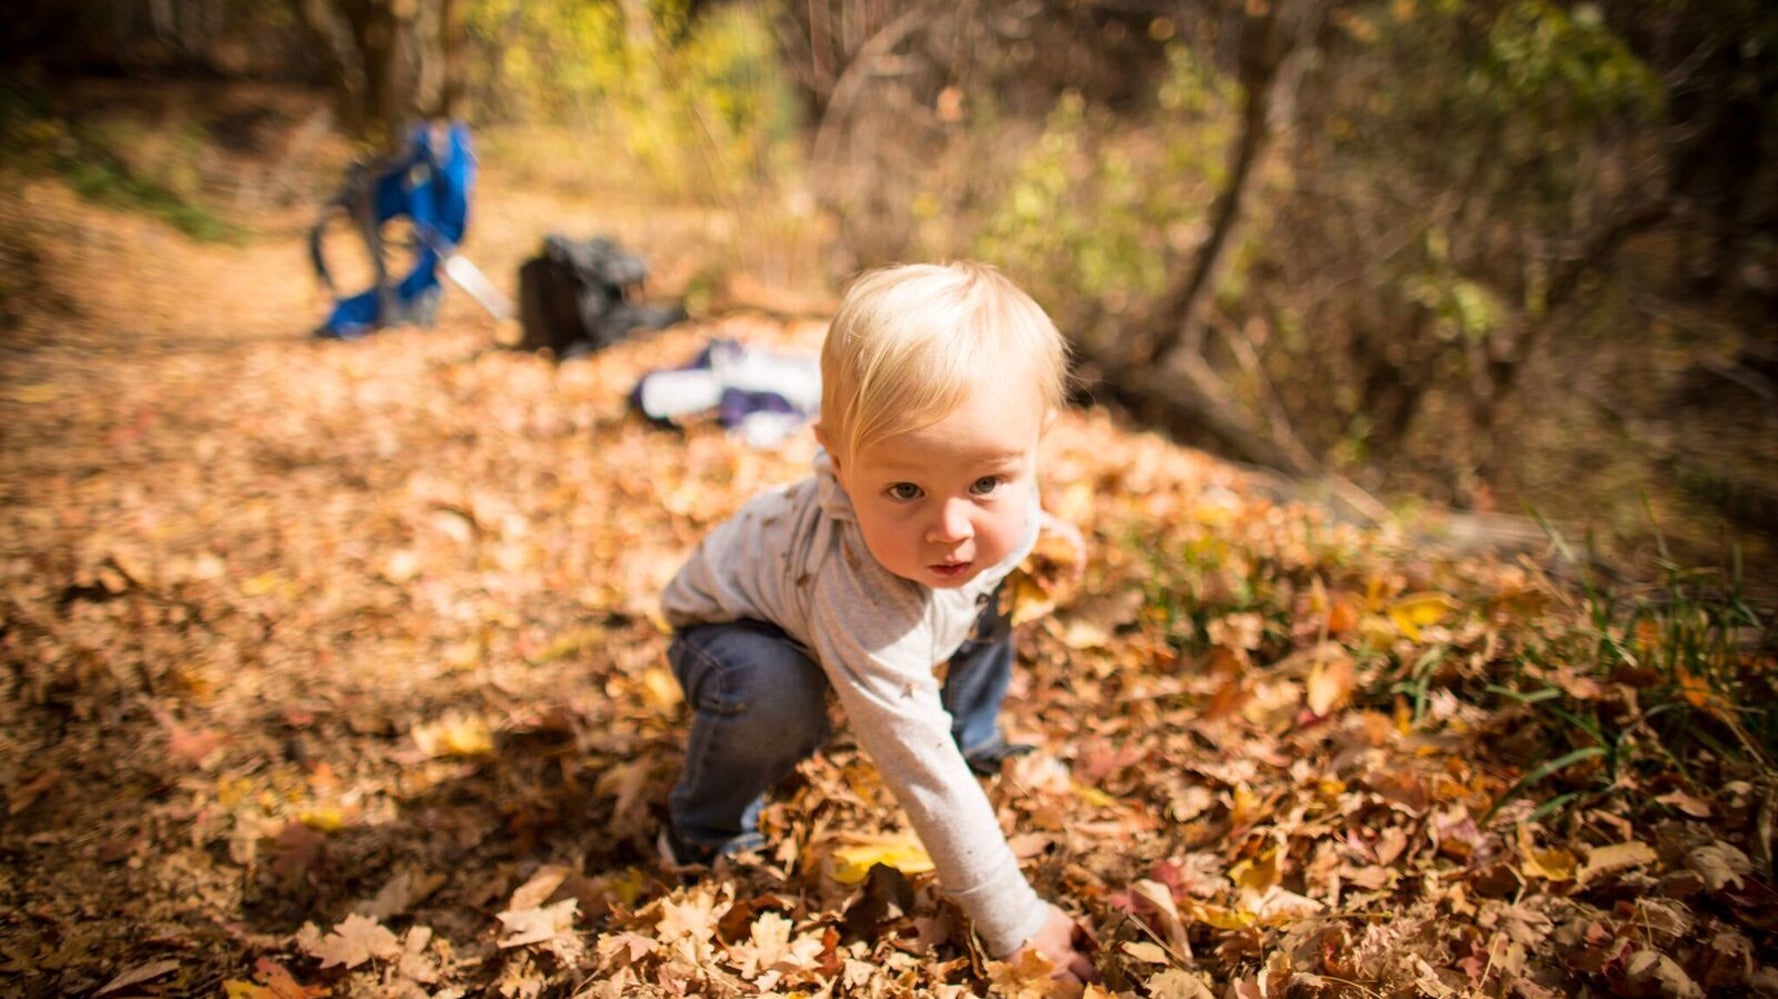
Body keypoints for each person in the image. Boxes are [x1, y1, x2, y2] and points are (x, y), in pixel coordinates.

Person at [657, 261, 1095, 982]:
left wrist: (1043, 535)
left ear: (1037, 439)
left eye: (986, 482)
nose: (951, 529)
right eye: (905, 488)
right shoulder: (856, 583)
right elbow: (913, 761)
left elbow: (1011, 529)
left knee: (997, 579)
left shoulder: (983, 513)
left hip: (867, 606)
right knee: (778, 696)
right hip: (736, 632)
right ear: (836, 456)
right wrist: (1014, 921)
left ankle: (976, 734)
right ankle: (700, 832)